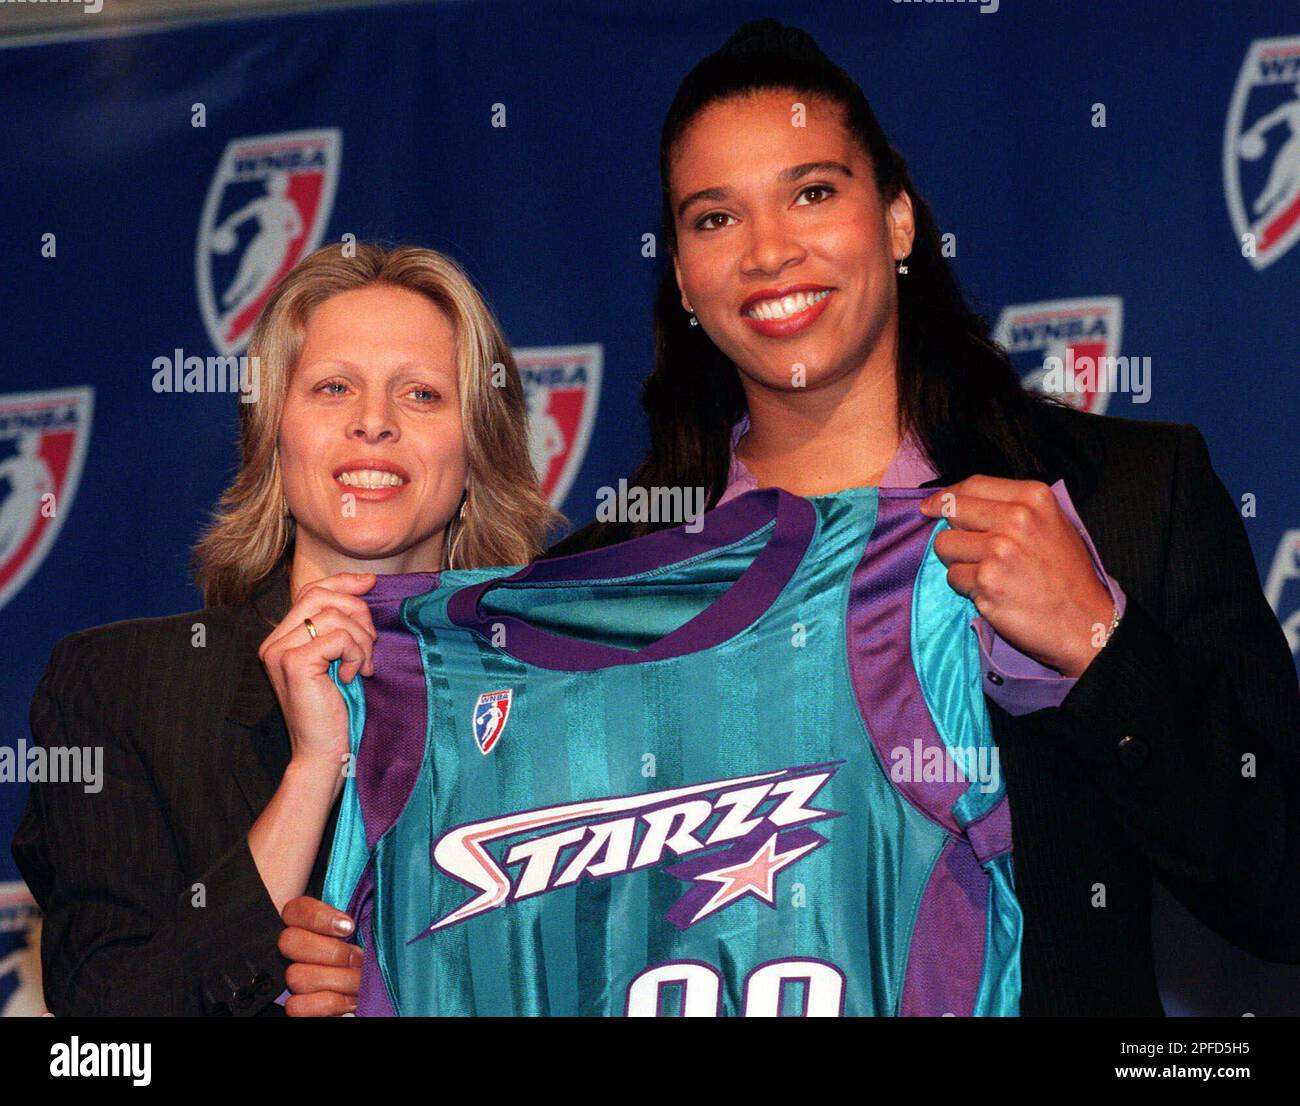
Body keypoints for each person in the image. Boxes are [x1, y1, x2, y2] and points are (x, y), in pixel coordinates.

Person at [279, 21, 1300, 1016]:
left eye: (812, 192)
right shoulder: (605, 589)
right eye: (714, 218)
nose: (768, 251)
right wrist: (384, 969)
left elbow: (1280, 881)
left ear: (897, 218)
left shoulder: (1122, 496)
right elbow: (545, 930)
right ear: (681, 275)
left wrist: (1098, 645)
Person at [11, 243, 559, 1015]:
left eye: (423, 395)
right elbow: (110, 1030)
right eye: (334, 389)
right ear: (274, 434)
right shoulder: (118, 688)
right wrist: (314, 768)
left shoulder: (555, 699)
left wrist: (408, 996)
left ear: (479, 448)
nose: (374, 424)